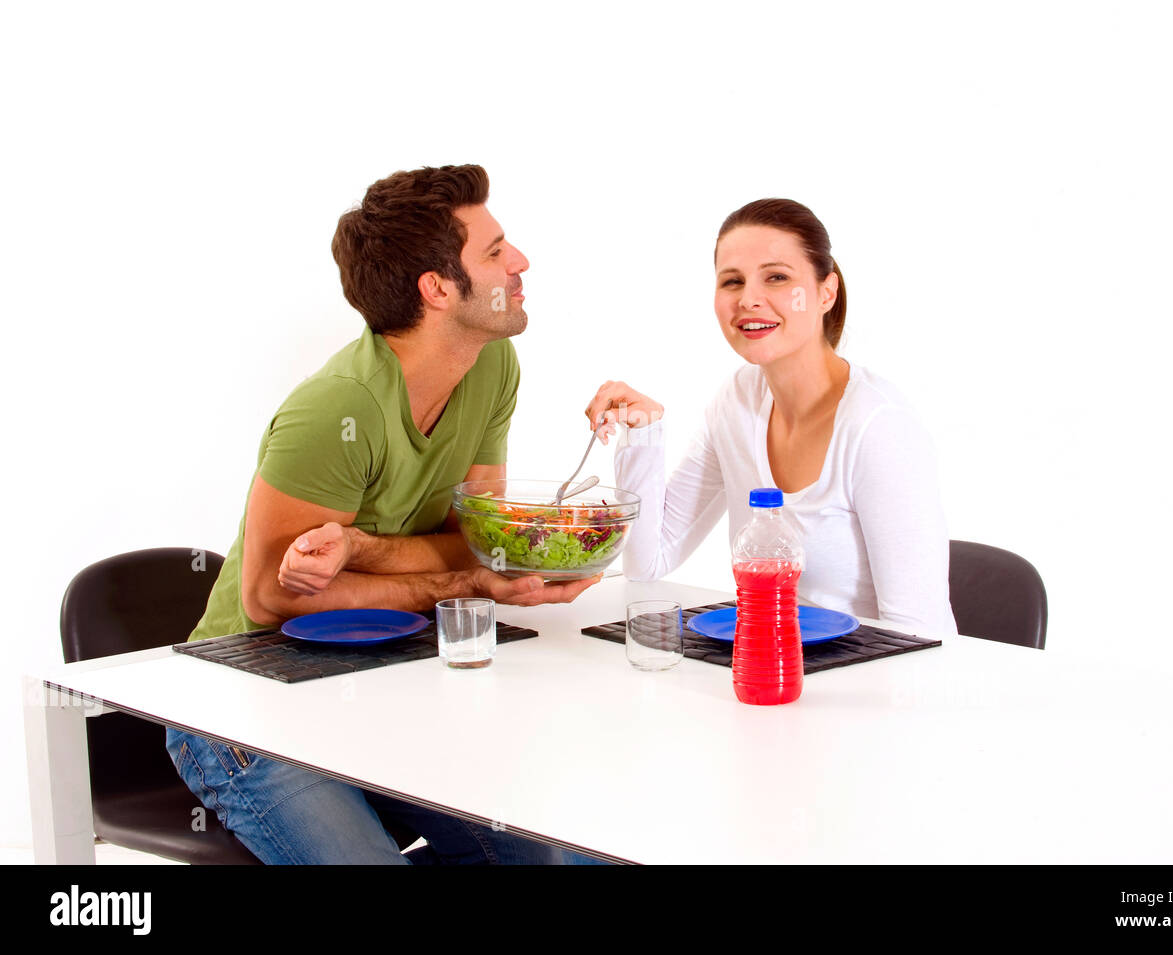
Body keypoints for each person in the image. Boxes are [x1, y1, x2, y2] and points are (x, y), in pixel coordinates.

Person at [167, 164, 603, 864]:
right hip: (246, 702)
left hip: (389, 680)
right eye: (494, 252)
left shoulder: (492, 365)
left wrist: (360, 550)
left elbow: (479, 543)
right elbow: (273, 597)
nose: (520, 262)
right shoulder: (336, 407)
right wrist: (462, 581)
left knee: (572, 856)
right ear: (436, 288)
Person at [584, 198, 957, 637]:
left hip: (866, 684)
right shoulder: (736, 402)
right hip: (767, 670)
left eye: (777, 278)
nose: (748, 300)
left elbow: (920, 634)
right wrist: (642, 434)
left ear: (826, 292)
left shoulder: (879, 426)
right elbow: (648, 562)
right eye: (732, 281)